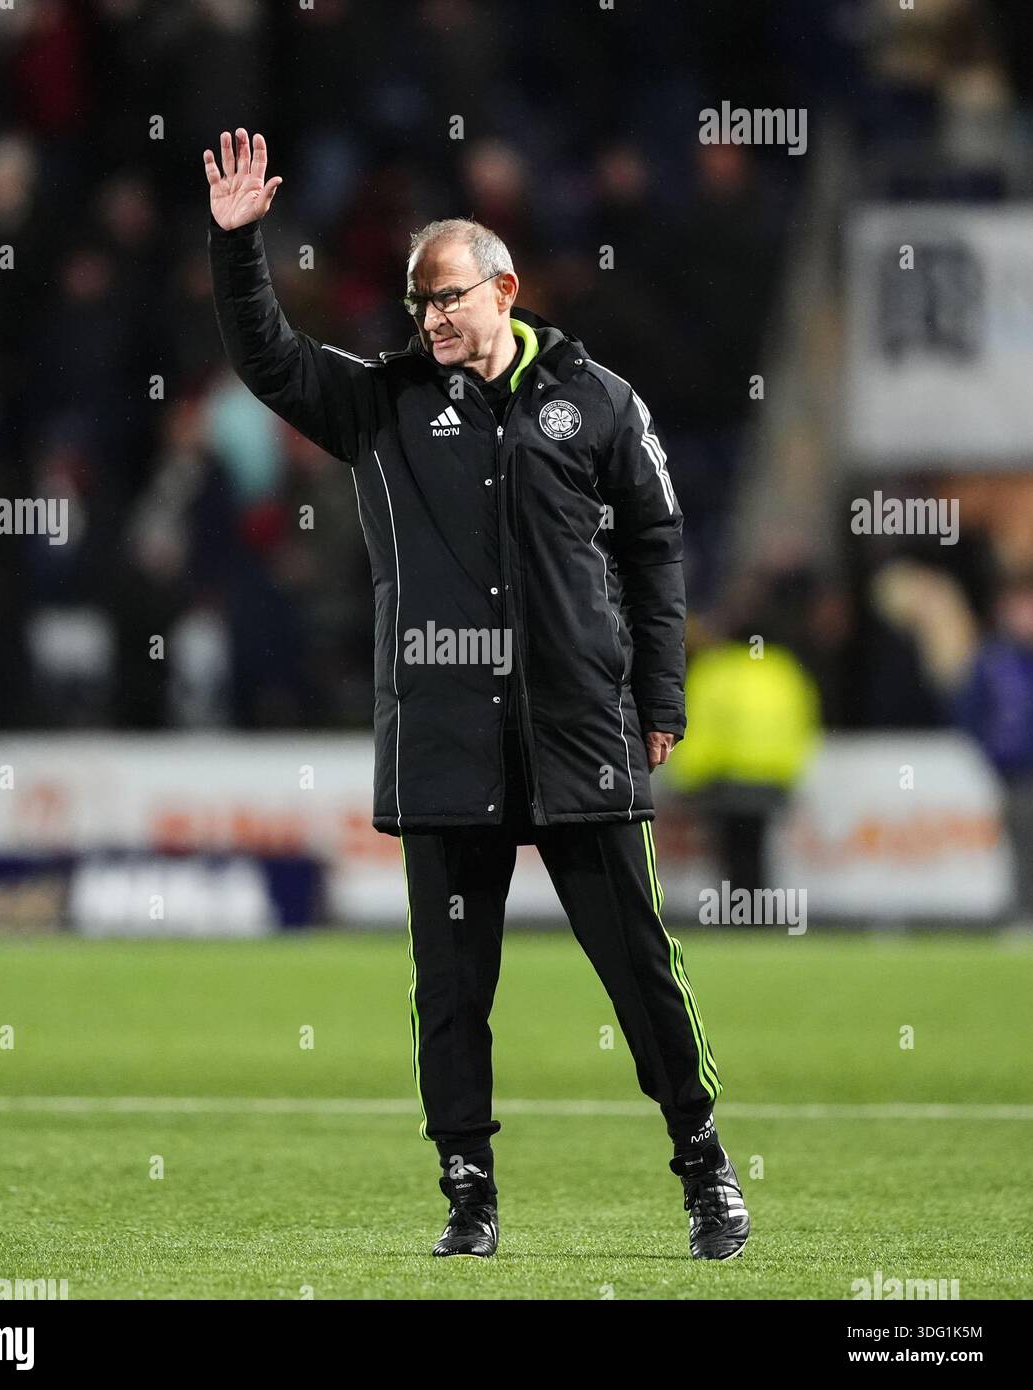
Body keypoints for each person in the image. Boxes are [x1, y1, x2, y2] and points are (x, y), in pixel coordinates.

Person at [204, 129, 749, 1261]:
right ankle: (468, 1195)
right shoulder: (383, 406)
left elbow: (655, 549)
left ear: (503, 289)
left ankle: (704, 1166)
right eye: (417, 306)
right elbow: (268, 360)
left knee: (639, 966)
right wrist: (237, 248)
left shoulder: (597, 402)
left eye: (447, 300)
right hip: (446, 741)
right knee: (450, 990)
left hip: (573, 731)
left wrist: (660, 695)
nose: (431, 322)